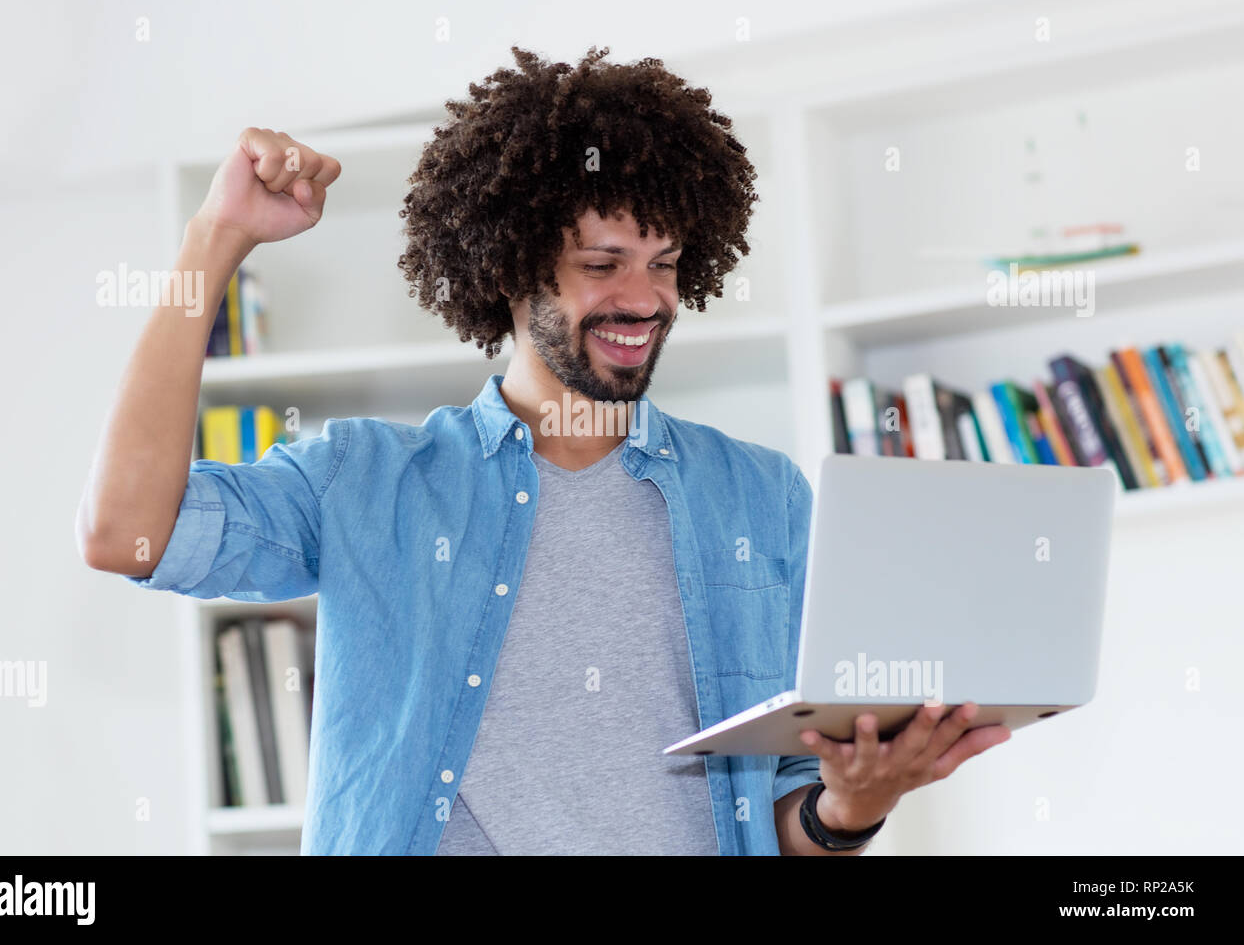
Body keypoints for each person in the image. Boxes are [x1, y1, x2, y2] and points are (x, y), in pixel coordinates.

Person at [77, 45, 1009, 855]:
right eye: (602, 265)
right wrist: (215, 240)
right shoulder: (367, 481)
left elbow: (772, 829)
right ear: (507, 267)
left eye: (666, 262)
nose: (644, 298)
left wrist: (849, 810)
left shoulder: (763, 499)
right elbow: (126, 535)